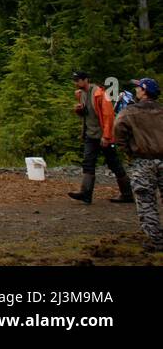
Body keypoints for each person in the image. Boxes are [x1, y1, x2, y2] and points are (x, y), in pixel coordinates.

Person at [69, 71, 133, 204]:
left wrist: (107, 136)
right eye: (74, 80)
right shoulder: (81, 94)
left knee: (114, 163)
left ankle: (127, 193)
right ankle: (86, 193)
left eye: (78, 80)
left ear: (86, 80)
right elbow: (86, 114)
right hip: (90, 134)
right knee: (88, 162)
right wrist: (79, 110)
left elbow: (108, 116)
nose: (76, 83)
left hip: (103, 135)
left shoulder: (100, 94)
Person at [115, 78, 163, 251]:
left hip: (142, 160)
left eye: (138, 88)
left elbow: (118, 130)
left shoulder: (129, 112)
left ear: (144, 91)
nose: (136, 90)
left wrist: (128, 151)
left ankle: (154, 239)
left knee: (146, 200)